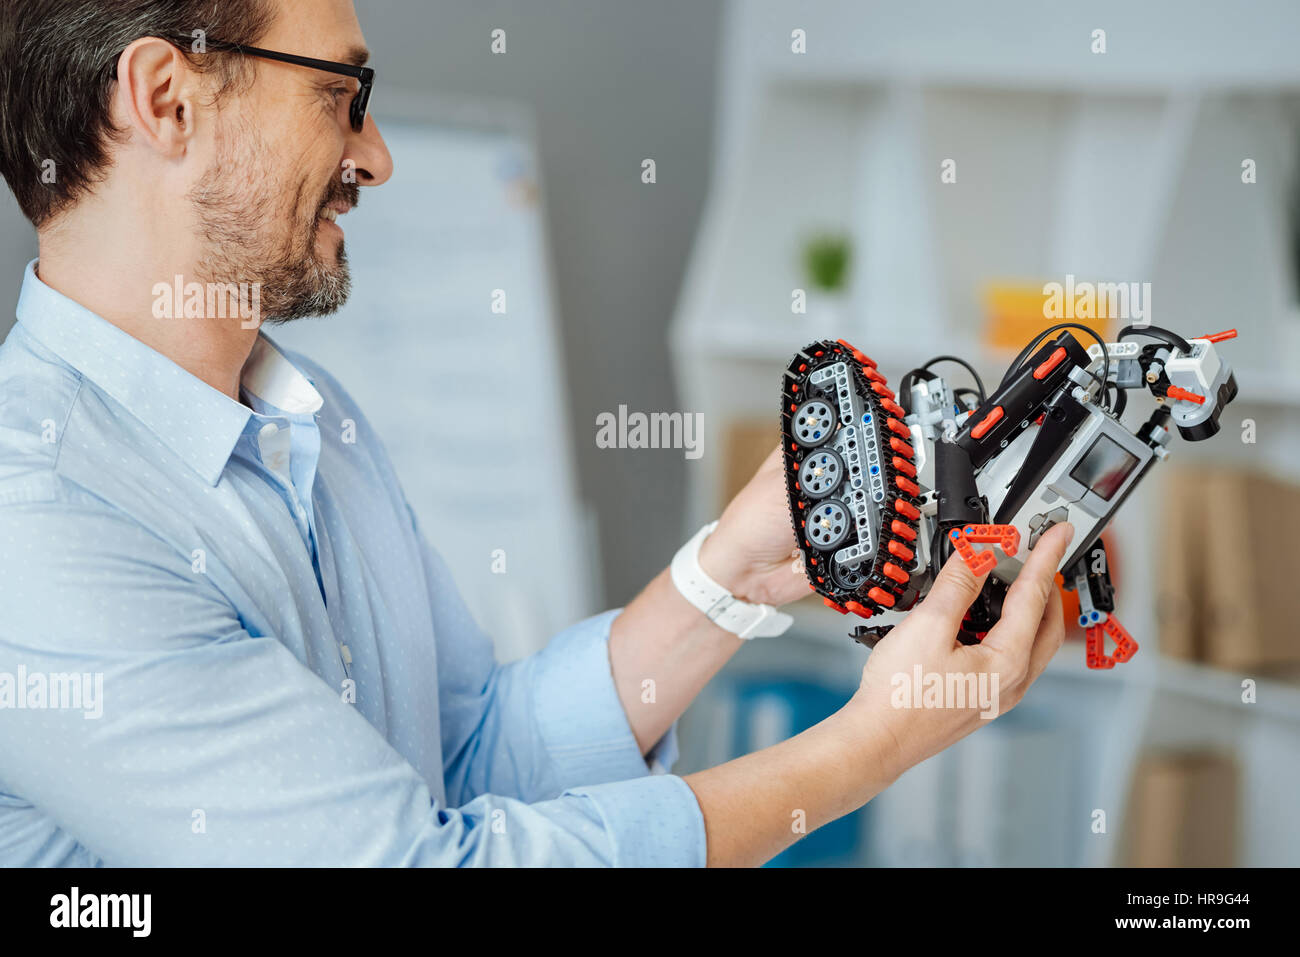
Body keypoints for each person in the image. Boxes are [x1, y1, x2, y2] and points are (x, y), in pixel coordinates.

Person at [0, 0, 1071, 866]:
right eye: (340, 94)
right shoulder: (35, 518)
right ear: (167, 100)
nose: (374, 156)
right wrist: (868, 748)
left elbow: (466, 759)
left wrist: (722, 583)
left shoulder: (307, 414)